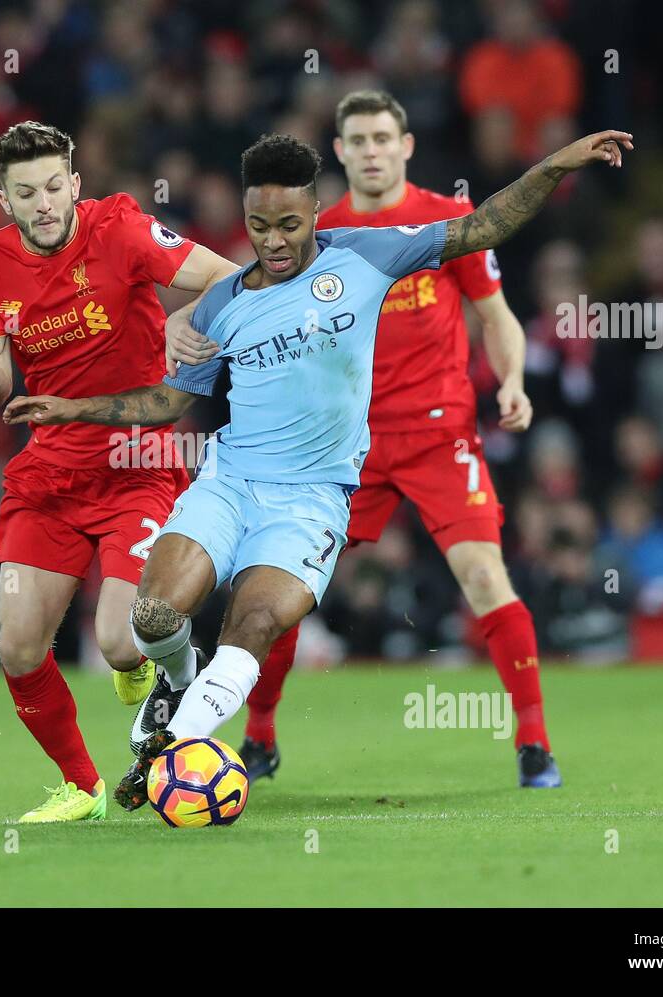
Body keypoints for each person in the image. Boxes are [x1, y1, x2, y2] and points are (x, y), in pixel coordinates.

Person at [5, 126, 634, 809]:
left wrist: (555, 165)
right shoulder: (222, 304)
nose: (272, 241)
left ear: (315, 212)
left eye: (288, 224)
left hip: (309, 503)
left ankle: (167, 749)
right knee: (151, 617)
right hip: (229, 484)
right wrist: (74, 407)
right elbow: (165, 401)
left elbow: (482, 225)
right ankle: (179, 679)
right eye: (257, 226)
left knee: (252, 623)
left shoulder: (367, 256)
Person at [170, 90, 557, 788]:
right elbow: (240, 298)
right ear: (340, 153)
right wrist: (181, 322)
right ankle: (258, 735)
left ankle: (534, 741)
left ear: (405, 146)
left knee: (482, 575)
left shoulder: (440, 219)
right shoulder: (317, 232)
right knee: (276, 590)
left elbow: (495, 314)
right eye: (359, 139)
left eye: (385, 137)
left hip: (440, 432)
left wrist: (513, 380)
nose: (373, 150)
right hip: (339, 450)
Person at [0, 121, 250, 822]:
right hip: (48, 471)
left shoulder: (121, 229)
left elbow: (232, 279)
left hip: (136, 461)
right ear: (5, 200)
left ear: (75, 184)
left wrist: (188, 315)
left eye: (54, 187)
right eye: (27, 193)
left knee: (117, 639)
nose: (44, 204)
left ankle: (170, 666)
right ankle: (81, 785)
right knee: (17, 646)